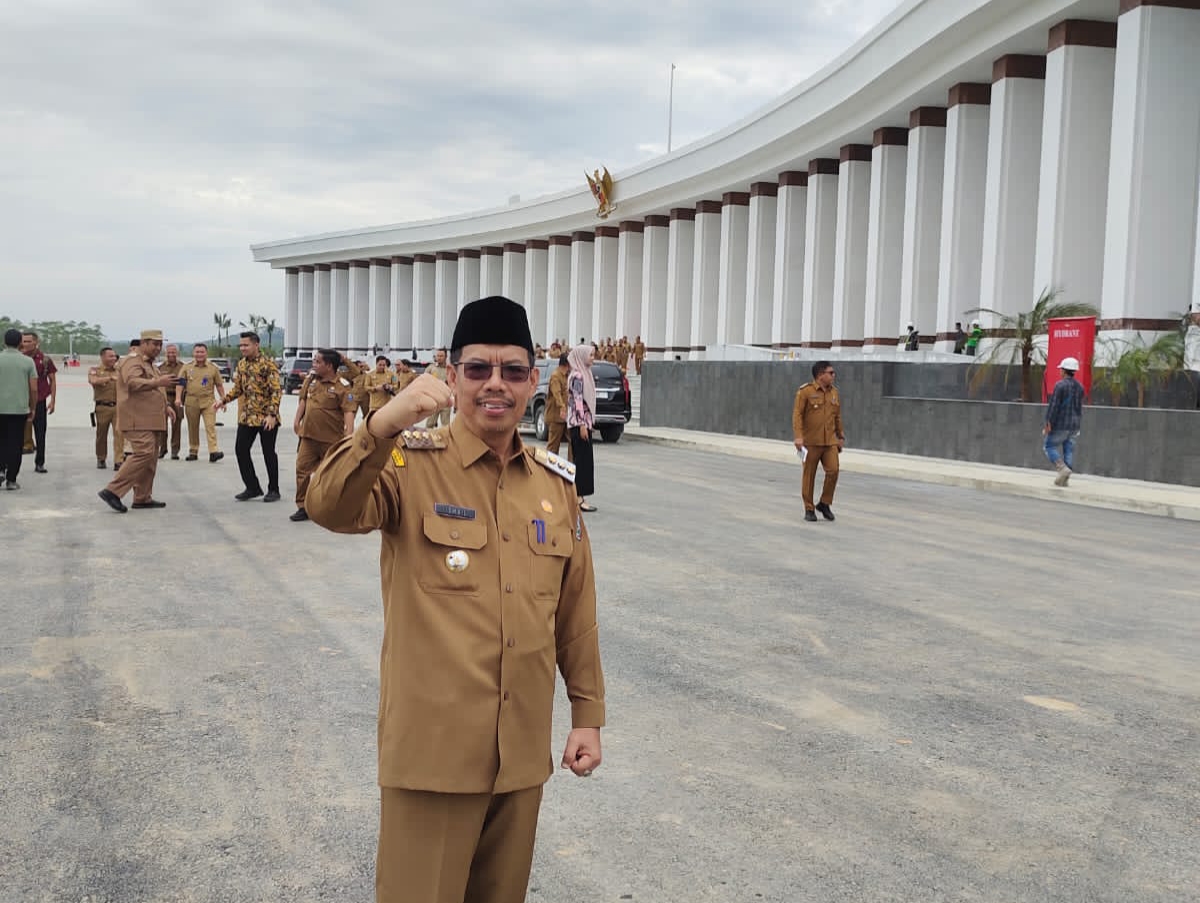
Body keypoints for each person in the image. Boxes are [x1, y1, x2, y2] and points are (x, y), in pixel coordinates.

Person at [305, 295, 604, 903]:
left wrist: (587, 716)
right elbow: (327, 506)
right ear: (452, 375)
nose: (496, 384)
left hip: (519, 758)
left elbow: (575, 613)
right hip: (433, 759)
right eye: (478, 369)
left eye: (512, 370)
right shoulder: (407, 465)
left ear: (531, 382)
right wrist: (380, 426)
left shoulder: (554, 485)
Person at [98, 329, 177, 512]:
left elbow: (156, 389)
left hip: (151, 418)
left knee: (151, 458)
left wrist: (166, 406)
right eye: (154, 344)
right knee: (144, 453)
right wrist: (158, 382)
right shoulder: (132, 361)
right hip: (136, 418)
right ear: (143, 343)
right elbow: (132, 383)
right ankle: (112, 491)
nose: (158, 348)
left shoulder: (151, 365)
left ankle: (142, 497)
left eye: (160, 344)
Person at [290, 348, 356, 522]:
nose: (314, 364)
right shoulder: (311, 379)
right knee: (302, 470)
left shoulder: (342, 386)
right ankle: (302, 506)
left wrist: (349, 435)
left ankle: (330, 506)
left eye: (318, 362)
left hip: (331, 439)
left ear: (329, 365)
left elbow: (349, 411)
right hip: (308, 436)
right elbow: (304, 399)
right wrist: (297, 420)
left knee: (331, 474)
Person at [216, 331, 282, 503]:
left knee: (268, 452)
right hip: (248, 416)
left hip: (267, 416)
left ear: (256, 345)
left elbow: (276, 391)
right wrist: (223, 400)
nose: (243, 348)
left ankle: (273, 489)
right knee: (241, 450)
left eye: (246, 345)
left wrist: (272, 415)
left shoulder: (268, 364)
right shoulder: (242, 364)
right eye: (241, 345)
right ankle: (252, 487)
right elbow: (238, 389)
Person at [792, 360, 845, 522]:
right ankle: (809, 508)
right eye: (831, 372)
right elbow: (797, 415)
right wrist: (798, 436)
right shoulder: (805, 392)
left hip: (829, 442)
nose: (833, 375)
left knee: (833, 471)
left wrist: (840, 436)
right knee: (809, 476)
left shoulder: (834, 392)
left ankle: (824, 503)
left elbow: (837, 416)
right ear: (821, 375)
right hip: (810, 442)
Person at [0, 328, 37, 490]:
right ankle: (11, 480)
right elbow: (33, 388)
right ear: (20, 342)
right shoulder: (27, 362)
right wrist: (33, 407)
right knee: (15, 444)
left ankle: (0, 470)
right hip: (19, 410)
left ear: (4, 342)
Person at [176, 342, 226, 462]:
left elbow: (219, 385)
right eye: (197, 352)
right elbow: (180, 384)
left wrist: (223, 399)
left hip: (208, 401)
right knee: (193, 427)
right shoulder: (187, 367)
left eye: (202, 352)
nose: (199, 354)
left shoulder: (213, 368)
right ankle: (193, 451)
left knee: (210, 426)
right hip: (191, 401)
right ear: (193, 353)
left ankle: (213, 451)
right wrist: (178, 398)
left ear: (206, 353)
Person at [1043, 356, 1085, 487]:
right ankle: (1065, 479)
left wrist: (1049, 422)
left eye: (1061, 369)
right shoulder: (1080, 387)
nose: (1060, 371)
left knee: (1049, 446)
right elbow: (1079, 407)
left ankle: (1062, 469)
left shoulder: (1060, 385)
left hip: (1060, 424)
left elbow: (1054, 406)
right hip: (1074, 425)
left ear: (1064, 370)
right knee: (1068, 450)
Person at [566, 344, 598, 512]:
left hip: (583, 423)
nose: (593, 359)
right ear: (582, 356)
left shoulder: (584, 373)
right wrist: (582, 425)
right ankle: (578, 498)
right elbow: (578, 402)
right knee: (582, 462)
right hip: (580, 424)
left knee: (583, 460)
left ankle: (578, 496)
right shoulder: (578, 376)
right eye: (590, 355)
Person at [21, 332, 57, 473]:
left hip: (39, 401)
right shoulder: (19, 358)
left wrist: (53, 400)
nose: (26, 344)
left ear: (36, 342)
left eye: (29, 341)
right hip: (21, 401)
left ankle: (40, 462)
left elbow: (52, 380)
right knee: (15, 434)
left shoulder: (45, 360)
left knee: (40, 433)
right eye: (24, 341)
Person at [87, 347, 122, 469]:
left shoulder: (120, 371)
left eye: (114, 356)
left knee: (119, 434)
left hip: (118, 407)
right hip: (102, 407)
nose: (113, 358)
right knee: (101, 435)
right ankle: (101, 458)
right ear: (102, 357)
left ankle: (118, 460)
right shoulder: (95, 370)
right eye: (110, 356)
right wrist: (109, 378)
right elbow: (93, 380)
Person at [157, 343, 186, 459]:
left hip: (178, 397)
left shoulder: (183, 367)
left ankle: (175, 450)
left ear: (177, 353)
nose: (171, 354)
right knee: (162, 425)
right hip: (164, 397)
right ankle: (162, 448)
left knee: (176, 425)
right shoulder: (160, 368)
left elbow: (185, 382)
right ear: (165, 353)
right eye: (169, 352)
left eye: (173, 352)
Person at [545, 353, 570, 458]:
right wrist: (562, 407)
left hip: (566, 416)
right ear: (567, 363)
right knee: (553, 446)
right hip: (556, 416)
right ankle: (549, 466)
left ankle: (571, 465)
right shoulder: (556, 376)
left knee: (573, 442)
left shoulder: (567, 376)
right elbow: (557, 394)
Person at [424, 348, 451, 427]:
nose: (439, 358)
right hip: (434, 401)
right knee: (429, 424)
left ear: (446, 357)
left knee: (446, 425)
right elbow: (423, 380)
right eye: (438, 356)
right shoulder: (431, 368)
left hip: (446, 401)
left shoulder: (450, 369)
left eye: (441, 356)